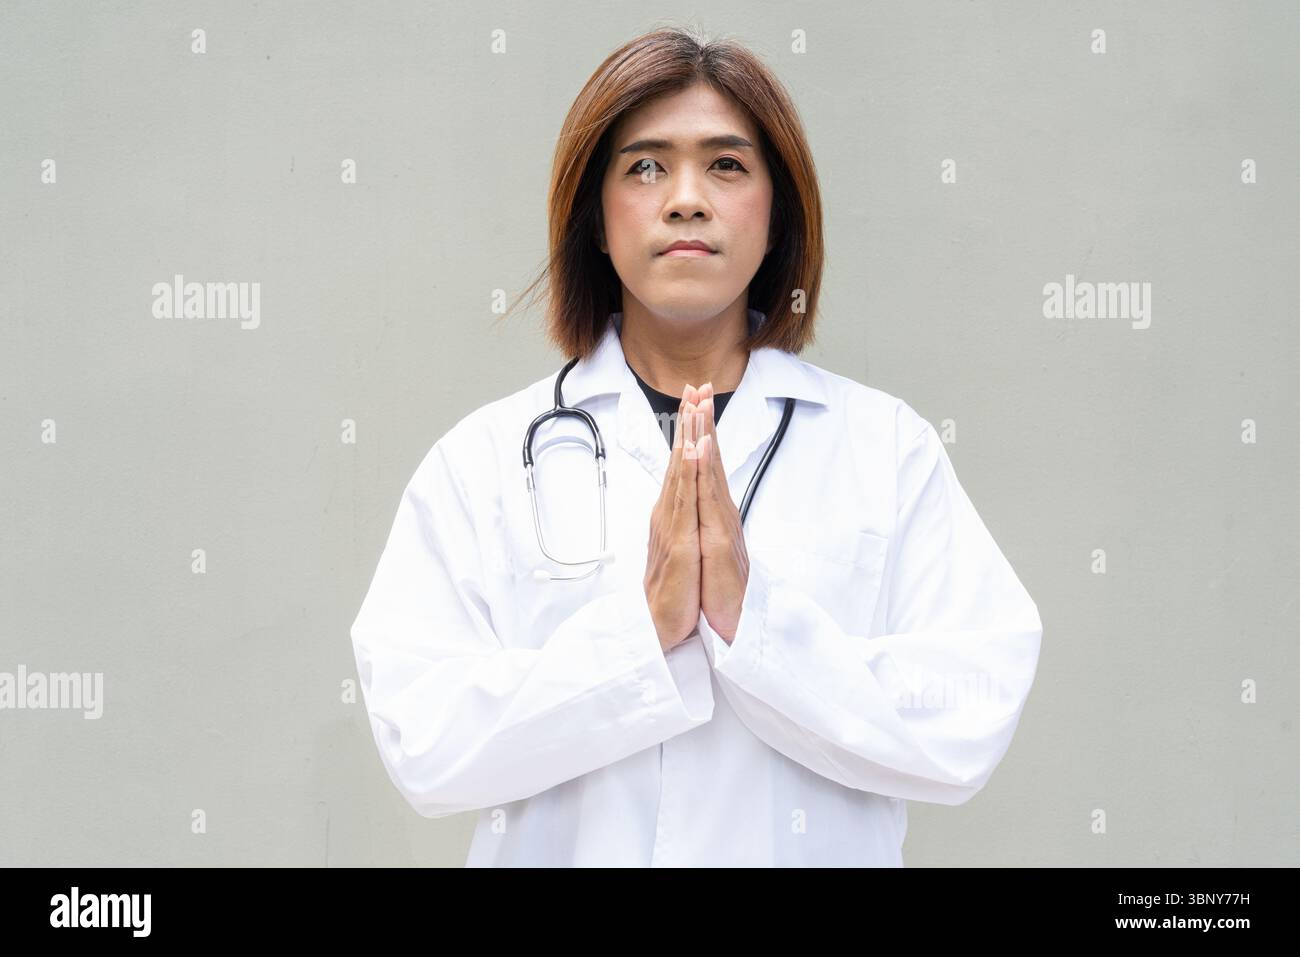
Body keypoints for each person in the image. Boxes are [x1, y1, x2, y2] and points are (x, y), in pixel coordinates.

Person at [349, 27, 1043, 867]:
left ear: (776, 212)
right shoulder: (483, 461)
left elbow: (968, 715)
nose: (685, 199)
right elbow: (426, 745)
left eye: (726, 164)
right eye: (644, 166)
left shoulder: (885, 448)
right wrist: (640, 634)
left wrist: (757, 628)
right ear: (597, 222)